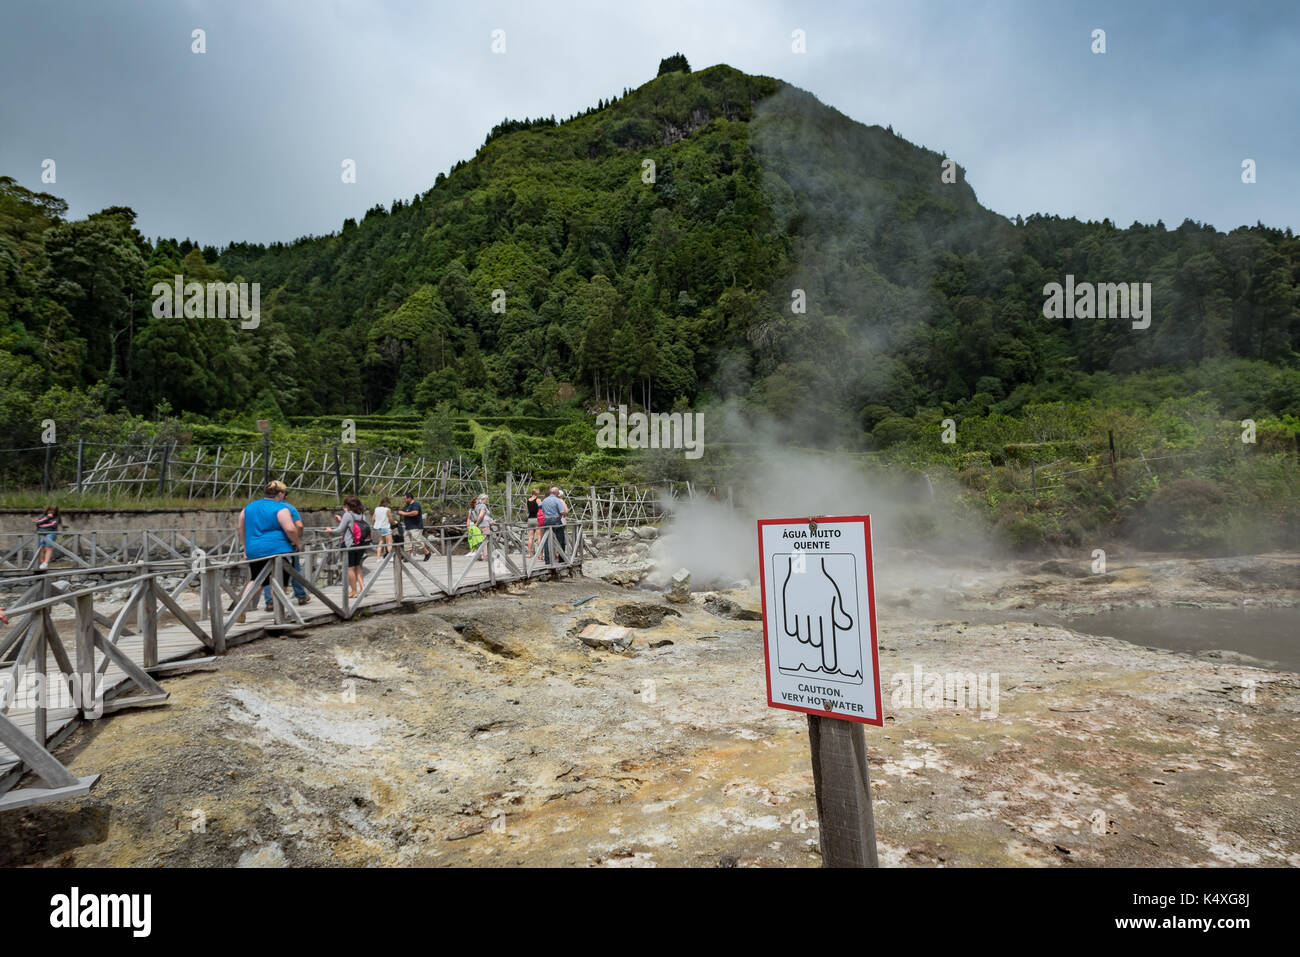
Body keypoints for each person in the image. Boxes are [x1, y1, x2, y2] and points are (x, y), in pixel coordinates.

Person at [236, 481, 299, 614]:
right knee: (282, 577)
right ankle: (279, 610)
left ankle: (241, 607)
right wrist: (296, 543)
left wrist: (245, 547)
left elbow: (240, 527)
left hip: (255, 549)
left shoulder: (248, 507)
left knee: (256, 579)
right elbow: (290, 529)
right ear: (280, 494)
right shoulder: (281, 508)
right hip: (277, 549)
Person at [264, 487, 310, 608]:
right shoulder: (289, 508)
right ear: (285, 496)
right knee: (294, 570)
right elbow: (299, 526)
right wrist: (296, 539)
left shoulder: (266, 507)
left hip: (268, 545)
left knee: (268, 573)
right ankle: (300, 596)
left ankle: (270, 602)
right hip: (286, 545)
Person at [332, 494, 368, 599]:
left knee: (350, 568)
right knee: (358, 566)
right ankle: (363, 588)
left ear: (348, 505)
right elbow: (353, 525)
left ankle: (354, 591)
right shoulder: (362, 515)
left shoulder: (348, 515)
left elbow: (340, 530)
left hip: (349, 544)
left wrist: (330, 531)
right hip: (360, 544)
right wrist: (342, 519)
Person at [395, 491, 432, 561]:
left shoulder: (415, 504)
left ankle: (427, 553)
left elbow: (415, 512)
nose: (404, 500)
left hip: (416, 526)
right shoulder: (406, 506)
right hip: (408, 527)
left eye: (405, 499)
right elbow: (401, 512)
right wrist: (398, 511)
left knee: (416, 541)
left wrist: (404, 513)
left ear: (410, 498)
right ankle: (408, 556)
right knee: (407, 542)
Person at [539, 486, 568, 564]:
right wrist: (565, 513)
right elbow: (562, 511)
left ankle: (547, 560)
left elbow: (539, 506)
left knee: (547, 541)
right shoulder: (557, 500)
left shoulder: (544, 500)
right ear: (557, 493)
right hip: (556, 520)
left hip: (547, 521)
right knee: (560, 540)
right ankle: (561, 559)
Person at [466, 493, 492, 558]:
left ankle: (479, 556)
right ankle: (485, 556)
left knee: (480, 540)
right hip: (484, 525)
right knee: (486, 541)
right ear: (483, 499)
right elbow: (481, 515)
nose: (487, 500)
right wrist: (477, 523)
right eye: (486, 499)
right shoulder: (483, 506)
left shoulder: (476, 506)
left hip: (479, 526)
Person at [35, 505, 60, 570]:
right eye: (50, 510)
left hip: (51, 533)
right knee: (40, 547)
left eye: (53, 511)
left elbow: (53, 525)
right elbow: (37, 523)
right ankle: (42, 563)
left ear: (55, 512)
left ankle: (46, 563)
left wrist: (42, 525)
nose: (51, 512)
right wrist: (47, 518)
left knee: (48, 547)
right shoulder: (41, 516)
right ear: (47, 510)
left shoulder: (56, 517)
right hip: (41, 534)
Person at [525, 487, 542, 557]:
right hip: (537, 519)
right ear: (537, 493)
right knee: (539, 537)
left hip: (530, 519)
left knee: (530, 537)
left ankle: (529, 553)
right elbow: (542, 510)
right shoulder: (538, 500)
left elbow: (527, 511)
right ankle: (540, 554)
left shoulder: (528, 501)